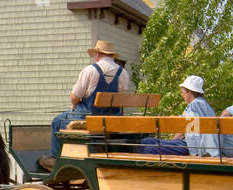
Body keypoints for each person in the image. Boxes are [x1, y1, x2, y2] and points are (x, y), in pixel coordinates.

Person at [41, 39, 134, 169]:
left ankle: (55, 159)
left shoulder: (90, 70)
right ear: (112, 55)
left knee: (57, 121)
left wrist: (74, 105)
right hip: (110, 119)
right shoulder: (123, 73)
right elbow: (120, 97)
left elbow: (75, 96)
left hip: (88, 118)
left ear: (98, 54)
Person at [140, 75, 218, 156]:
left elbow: (189, 131)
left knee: (149, 149)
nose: (182, 95)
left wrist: (172, 142)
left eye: (183, 92)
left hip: (190, 145)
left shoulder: (195, 105)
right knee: (146, 141)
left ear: (190, 92)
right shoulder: (201, 104)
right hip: (187, 142)